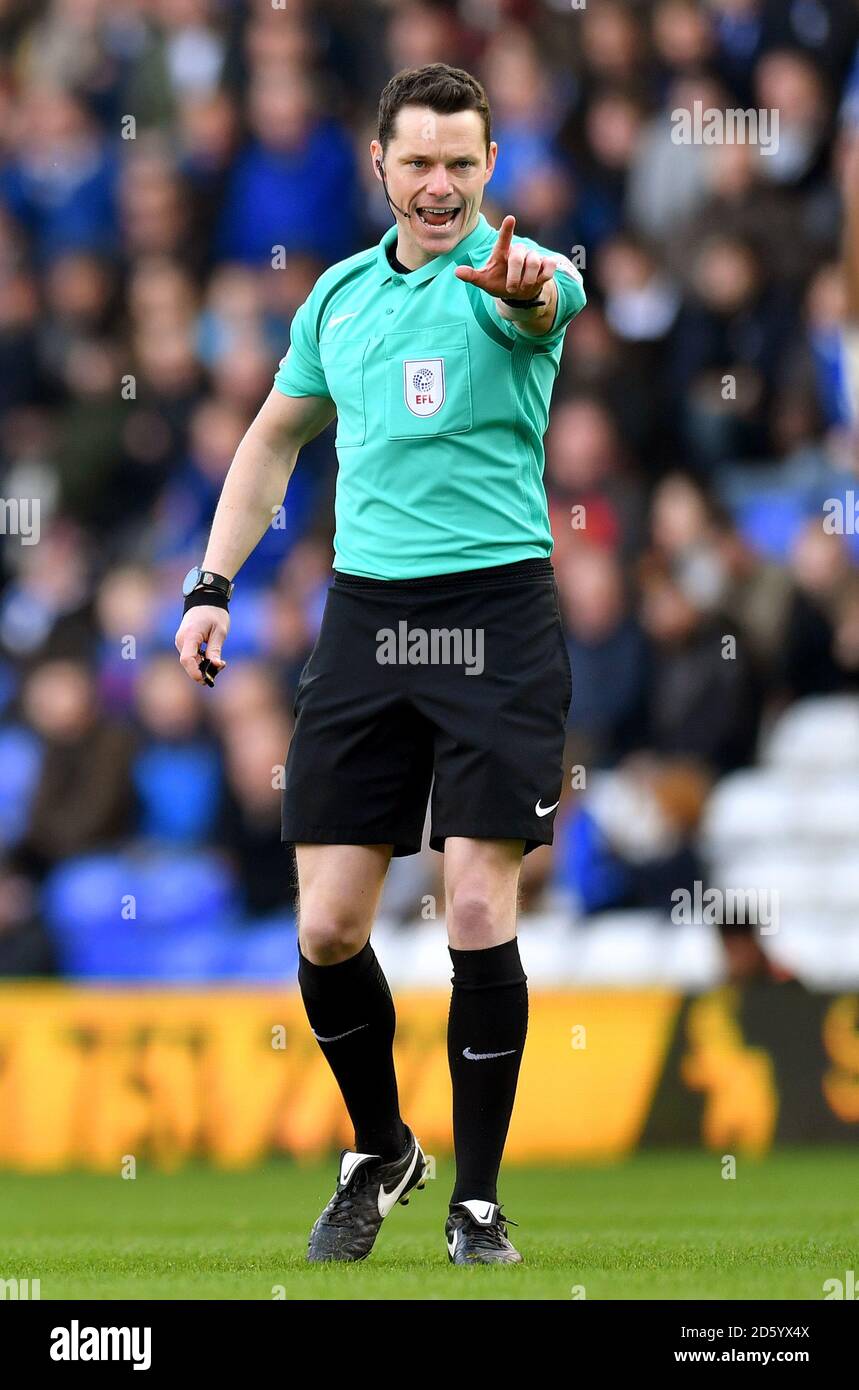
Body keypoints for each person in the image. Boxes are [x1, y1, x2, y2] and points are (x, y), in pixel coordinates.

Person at [174, 63, 586, 1267]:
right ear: (380, 166)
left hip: (497, 616)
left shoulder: (528, 272)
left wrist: (523, 293)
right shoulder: (338, 300)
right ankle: (382, 1146)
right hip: (366, 620)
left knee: (470, 903)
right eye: (419, 161)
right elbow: (270, 442)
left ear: (491, 167)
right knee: (328, 929)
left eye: (463, 161)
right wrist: (211, 582)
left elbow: (537, 309)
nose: (442, 183)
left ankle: (480, 1201)